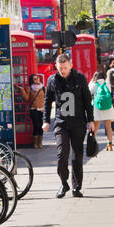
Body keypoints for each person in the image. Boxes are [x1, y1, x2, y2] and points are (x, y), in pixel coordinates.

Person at [43, 52, 96, 197]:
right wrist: (45, 120)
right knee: (61, 155)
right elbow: (47, 101)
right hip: (61, 123)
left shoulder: (79, 78)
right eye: (60, 68)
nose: (63, 71)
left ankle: (76, 187)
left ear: (71, 65)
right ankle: (64, 183)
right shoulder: (52, 80)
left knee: (77, 156)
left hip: (78, 122)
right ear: (56, 67)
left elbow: (87, 101)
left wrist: (91, 120)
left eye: (65, 67)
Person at [89, 66, 114, 151]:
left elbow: (89, 92)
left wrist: (91, 81)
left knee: (95, 128)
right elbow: (110, 92)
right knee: (108, 127)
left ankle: (93, 146)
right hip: (108, 107)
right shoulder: (107, 83)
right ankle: (109, 144)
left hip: (97, 108)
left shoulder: (93, 84)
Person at [27, 74, 45, 149]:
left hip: (41, 109)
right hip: (33, 109)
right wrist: (22, 90)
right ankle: (35, 143)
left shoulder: (43, 88)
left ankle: (40, 142)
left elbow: (45, 98)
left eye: (37, 78)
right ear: (32, 81)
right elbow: (27, 99)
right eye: (35, 79)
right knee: (36, 125)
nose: (37, 79)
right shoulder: (30, 88)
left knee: (41, 126)